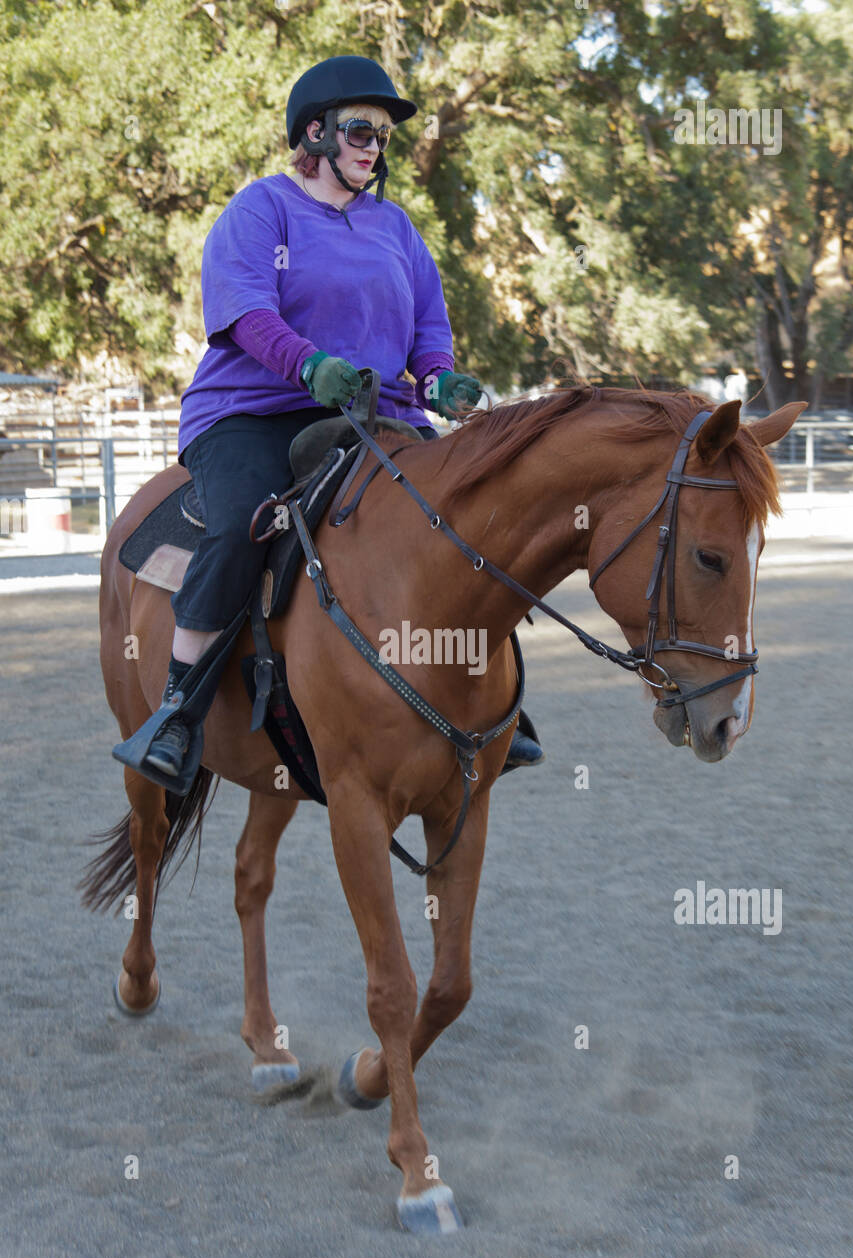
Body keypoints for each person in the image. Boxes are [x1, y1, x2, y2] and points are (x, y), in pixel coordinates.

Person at [117, 54, 543, 791]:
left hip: (374, 417)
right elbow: (247, 314)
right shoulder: (260, 211)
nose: (374, 146)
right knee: (238, 524)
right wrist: (311, 367)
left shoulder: (397, 229)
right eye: (359, 130)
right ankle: (180, 711)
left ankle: (493, 700)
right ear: (313, 132)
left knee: (464, 520)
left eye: (382, 135)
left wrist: (440, 379)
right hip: (255, 413)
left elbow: (426, 331)